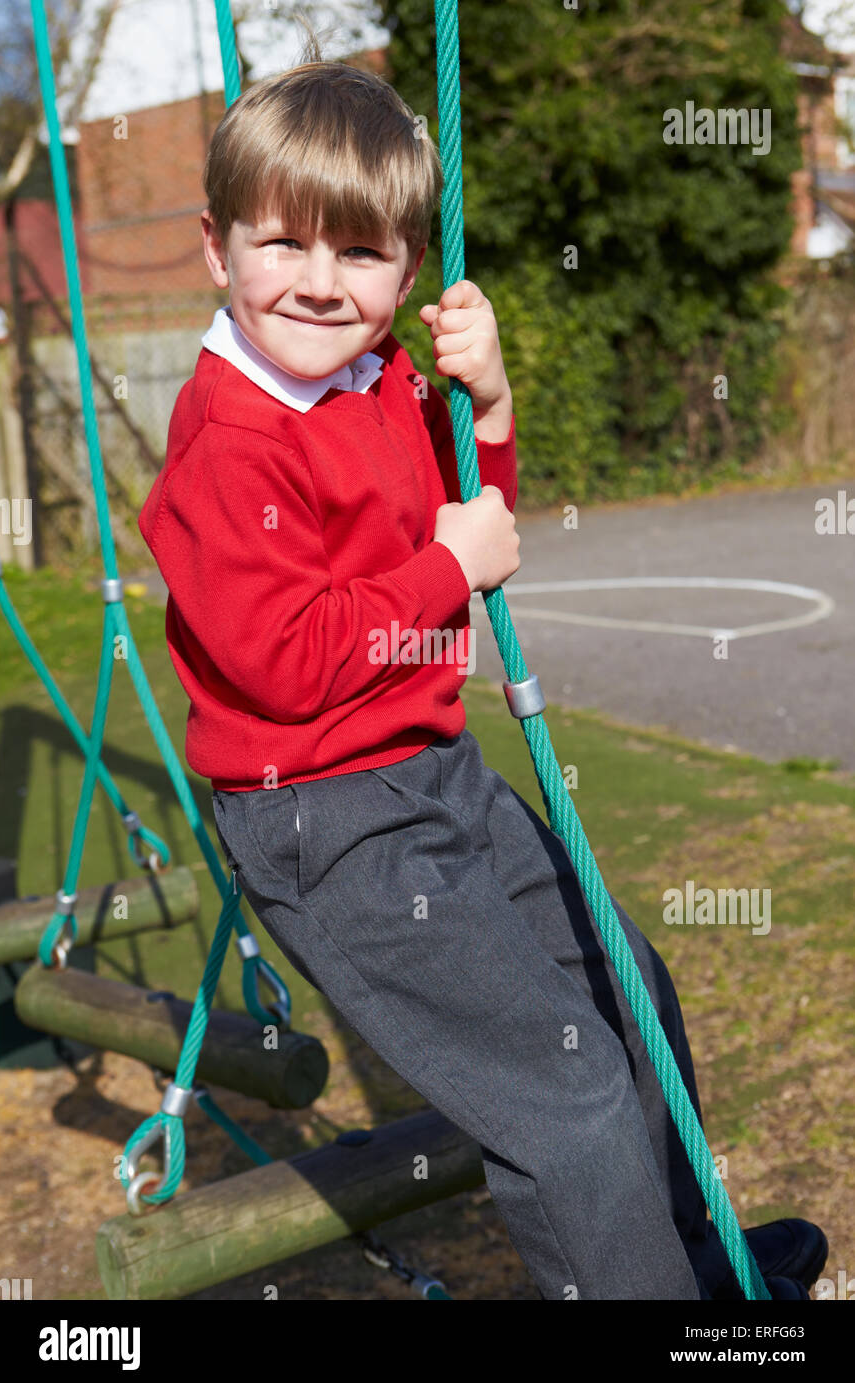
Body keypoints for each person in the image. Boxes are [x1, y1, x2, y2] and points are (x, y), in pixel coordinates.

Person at [138, 55, 827, 1301]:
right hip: (328, 820)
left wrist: (491, 404)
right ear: (214, 246)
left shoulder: (382, 373)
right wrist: (439, 571)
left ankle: (690, 1268)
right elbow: (288, 660)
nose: (316, 282)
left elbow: (477, 523)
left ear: (404, 270)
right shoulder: (225, 445)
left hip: (430, 769)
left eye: (358, 255)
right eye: (281, 243)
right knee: (561, 1101)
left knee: (626, 991)